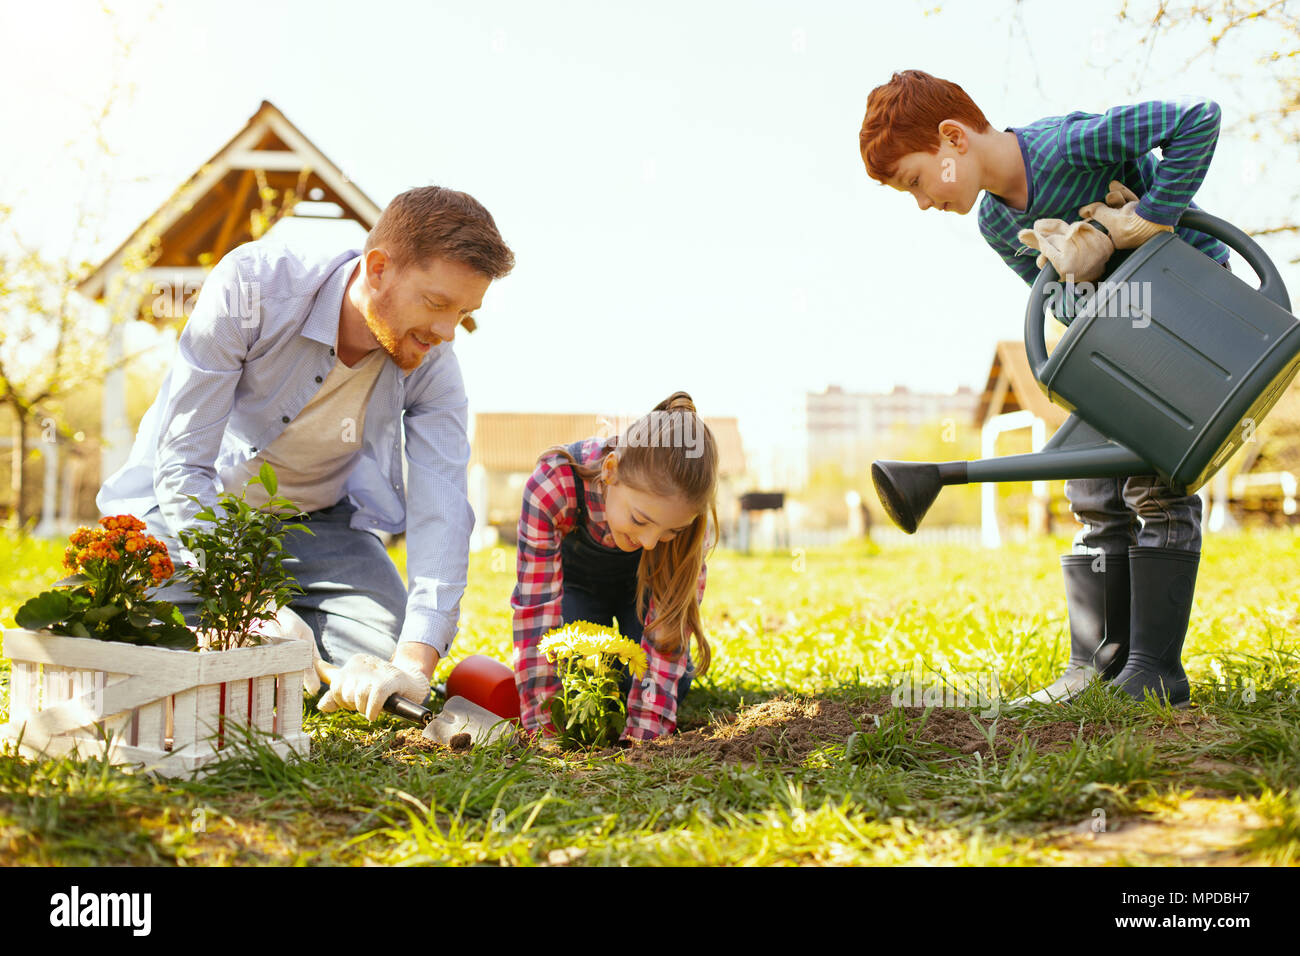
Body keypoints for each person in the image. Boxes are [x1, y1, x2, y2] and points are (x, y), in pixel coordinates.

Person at [859, 70, 1231, 707]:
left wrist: (1147, 217)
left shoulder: (1070, 146)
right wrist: (1076, 277)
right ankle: (1096, 663)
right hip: (1123, 343)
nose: (921, 203)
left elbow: (1199, 117)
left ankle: (1154, 671)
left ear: (952, 138)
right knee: (1088, 482)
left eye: (916, 181)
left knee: (1152, 482)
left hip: (1196, 318)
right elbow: (1064, 307)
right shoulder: (997, 226)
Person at [96, 185, 514, 720]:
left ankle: (278, 649)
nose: (446, 332)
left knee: (385, 648)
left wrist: (413, 664)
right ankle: (250, 632)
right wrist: (250, 600)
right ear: (379, 268)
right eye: (436, 304)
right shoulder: (250, 288)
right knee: (115, 618)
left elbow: (443, 506)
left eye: (463, 312)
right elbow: (183, 465)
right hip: (195, 517)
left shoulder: (434, 363)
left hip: (320, 526)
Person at [511, 393, 718, 742]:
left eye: (671, 531)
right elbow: (536, 611)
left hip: (642, 595)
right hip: (574, 592)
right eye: (640, 520)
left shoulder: (693, 526)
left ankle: (631, 689)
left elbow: (668, 633)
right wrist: (542, 723)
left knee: (670, 684)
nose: (651, 542)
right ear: (610, 472)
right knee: (573, 676)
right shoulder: (552, 486)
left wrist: (645, 732)